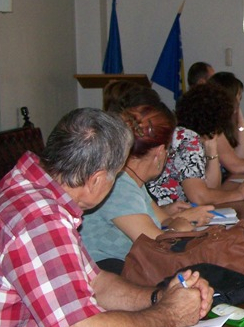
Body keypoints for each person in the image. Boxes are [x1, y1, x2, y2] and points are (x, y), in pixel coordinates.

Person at [0, 108, 213, 327]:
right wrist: (168, 314)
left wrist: (159, 296)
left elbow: (95, 283)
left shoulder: (31, 186)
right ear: (96, 180)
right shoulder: (41, 220)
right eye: (116, 175)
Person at [81, 104, 216, 266]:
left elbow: (163, 220)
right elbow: (157, 247)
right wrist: (177, 229)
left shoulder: (131, 178)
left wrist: (181, 218)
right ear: (160, 152)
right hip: (107, 273)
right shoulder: (119, 185)